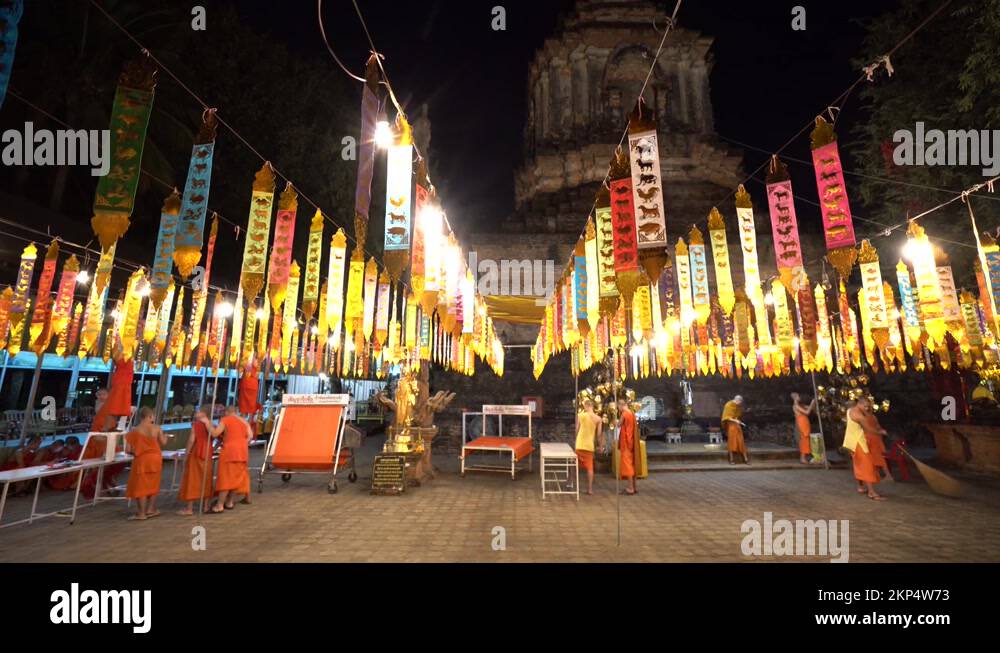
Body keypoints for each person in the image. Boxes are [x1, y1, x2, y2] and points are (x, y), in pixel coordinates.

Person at [202, 405, 252, 512]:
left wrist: (207, 424)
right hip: (242, 452)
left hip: (229, 452)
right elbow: (250, 436)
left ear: (226, 412)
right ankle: (230, 502)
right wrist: (241, 443)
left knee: (226, 478)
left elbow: (215, 433)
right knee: (235, 478)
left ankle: (219, 505)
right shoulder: (244, 422)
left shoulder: (225, 420)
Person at [80, 389, 126, 499]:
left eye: (103, 394)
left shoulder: (110, 406)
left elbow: (110, 423)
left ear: (108, 395)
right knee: (100, 462)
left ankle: (105, 484)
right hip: (97, 436)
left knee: (111, 461)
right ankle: (99, 485)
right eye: (99, 394)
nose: (101, 396)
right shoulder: (99, 405)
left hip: (104, 436)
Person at [124, 407, 167, 520]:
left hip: (142, 459)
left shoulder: (134, 430)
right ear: (150, 416)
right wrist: (166, 437)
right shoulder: (157, 428)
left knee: (141, 486)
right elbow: (163, 442)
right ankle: (151, 509)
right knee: (154, 483)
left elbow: (128, 449)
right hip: (156, 458)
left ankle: (141, 513)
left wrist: (138, 452)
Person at [843, 398, 887, 501]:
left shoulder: (849, 410)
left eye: (868, 406)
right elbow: (869, 429)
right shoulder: (860, 416)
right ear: (859, 404)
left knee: (858, 463)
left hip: (850, 441)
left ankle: (860, 487)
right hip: (858, 442)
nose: (867, 408)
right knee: (867, 466)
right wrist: (881, 432)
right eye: (865, 406)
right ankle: (871, 492)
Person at [177, 406, 215, 515]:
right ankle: (206, 506)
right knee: (206, 479)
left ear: (203, 413)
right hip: (208, 452)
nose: (196, 413)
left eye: (198, 411)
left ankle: (189, 508)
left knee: (193, 479)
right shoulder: (212, 425)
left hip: (197, 452)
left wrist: (186, 454)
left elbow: (191, 440)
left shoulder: (196, 425)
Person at [574, 399, 605, 496]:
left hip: (580, 444)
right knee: (589, 467)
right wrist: (600, 446)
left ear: (586, 406)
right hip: (589, 445)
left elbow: (576, 429)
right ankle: (590, 489)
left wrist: (575, 439)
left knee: (574, 465)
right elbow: (599, 435)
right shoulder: (598, 419)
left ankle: (570, 483)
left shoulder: (581, 416)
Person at [617, 397, 639, 495]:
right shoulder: (632, 413)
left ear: (621, 405)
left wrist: (614, 420)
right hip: (631, 441)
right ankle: (634, 486)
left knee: (628, 465)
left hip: (626, 442)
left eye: (618, 406)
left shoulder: (625, 414)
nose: (618, 408)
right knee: (632, 464)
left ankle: (630, 488)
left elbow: (618, 424)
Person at [722, 395, 749, 465]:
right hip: (730, 425)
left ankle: (745, 459)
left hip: (736, 425)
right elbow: (726, 417)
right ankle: (731, 459)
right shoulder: (728, 405)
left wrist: (738, 421)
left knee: (741, 440)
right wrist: (734, 420)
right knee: (732, 441)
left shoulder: (738, 406)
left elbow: (737, 415)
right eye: (739, 402)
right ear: (737, 400)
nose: (740, 404)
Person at [792, 393, 817, 464]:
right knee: (804, 439)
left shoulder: (801, 405)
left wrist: (813, 403)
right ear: (795, 398)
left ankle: (804, 457)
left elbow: (811, 408)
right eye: (798, 396)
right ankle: (802, 457)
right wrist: (812, 403)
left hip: (805, 421)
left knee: (806, 438)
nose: (800, 397)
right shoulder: (796, 406)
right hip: (801, 422)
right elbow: (807, 412)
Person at [237, 359, 260, 437]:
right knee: (247, 408)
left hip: (250, 385)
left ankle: (246, 428)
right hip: (249, 385)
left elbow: (239, 370)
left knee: (248, 408)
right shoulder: (246, 360)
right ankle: (244, 428)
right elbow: (239, 370)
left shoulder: (247, 360)